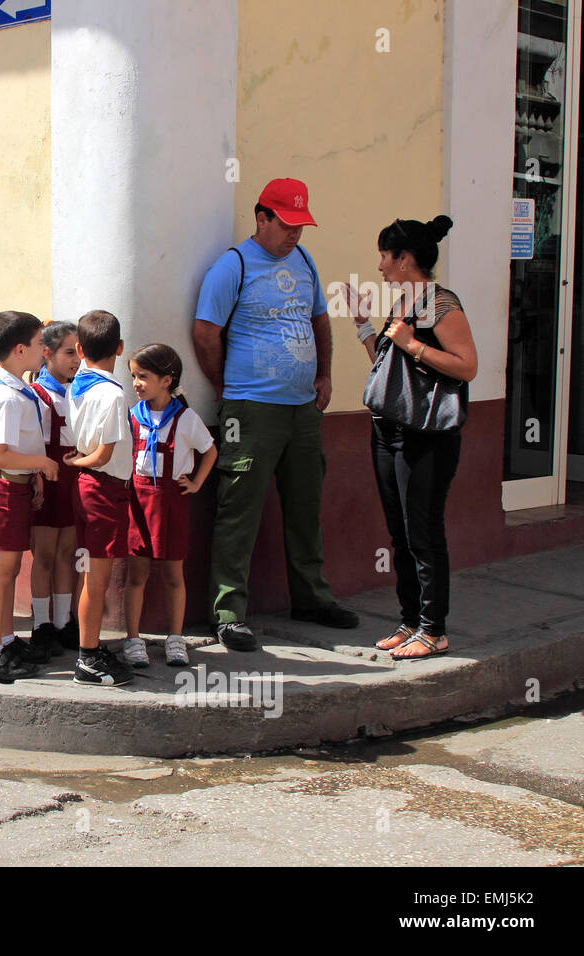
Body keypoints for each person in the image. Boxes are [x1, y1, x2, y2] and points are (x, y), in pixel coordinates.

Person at [192, 177, 359, 651]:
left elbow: (319, 320)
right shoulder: (234, 266)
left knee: (305, 504)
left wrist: (324, 373)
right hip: (251, 408)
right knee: (239, 509)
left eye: (301, 226)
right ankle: (228, 613)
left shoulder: (304, 261)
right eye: (286, 225)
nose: (295, 235)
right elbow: (206, 333)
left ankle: (312, 597)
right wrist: (229, 387)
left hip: (302, 408)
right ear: (261, 218)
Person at [339, 215, 475, 661]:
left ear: (405, 258)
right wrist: (364, 323)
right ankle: (410, 621)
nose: (379, 266)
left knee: (423, 530)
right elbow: (386, 367)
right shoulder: (402, 304)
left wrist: (414, 344)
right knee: (399, 532)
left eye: (385, 256)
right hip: (388, 429)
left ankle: (434, 629)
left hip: (427, 434)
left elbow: (467, 366)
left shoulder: (441, 305)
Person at [0, 310, 58, 683]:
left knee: (8, 572)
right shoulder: (6, 396)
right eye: (41, 343)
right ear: (21, 349)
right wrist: (40, 461)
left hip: (17, 485)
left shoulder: (19, 388)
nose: (46, 348)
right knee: (0, 572)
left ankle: (5, 640)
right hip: (4, 487)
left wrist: (33, 474)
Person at [124, 344, 217, 668]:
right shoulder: (132, 415)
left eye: (143, 376)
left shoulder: (186, 418)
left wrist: (196, 482)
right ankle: (133, 639)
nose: (136, 382)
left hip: (171, 504)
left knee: (173, 575)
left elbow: (210, 451)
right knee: (137, 575)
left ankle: (175, 638)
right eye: (133, 376)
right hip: (138, 502)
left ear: (167, 380)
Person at [65, 310, 135, 687]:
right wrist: (81, 461)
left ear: (79, 348)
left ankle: (86, 644)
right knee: (97, 577)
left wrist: (79, 461)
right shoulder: (111, 394)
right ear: (120, 348)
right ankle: (88, 658)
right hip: (102, 488)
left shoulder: (77, 384)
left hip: (89, 486)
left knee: (87, 568)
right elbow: (104, 454)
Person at [29, 320, 80, 655]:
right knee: (44, 554)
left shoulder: (79, 391)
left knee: (67, 553)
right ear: (47, 354)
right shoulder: (36, 394)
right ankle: (40, 625)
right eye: (68, 352)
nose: (76, 359)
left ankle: (63, 622)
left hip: (74, 481)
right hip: (45, 482)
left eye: (79, 352)